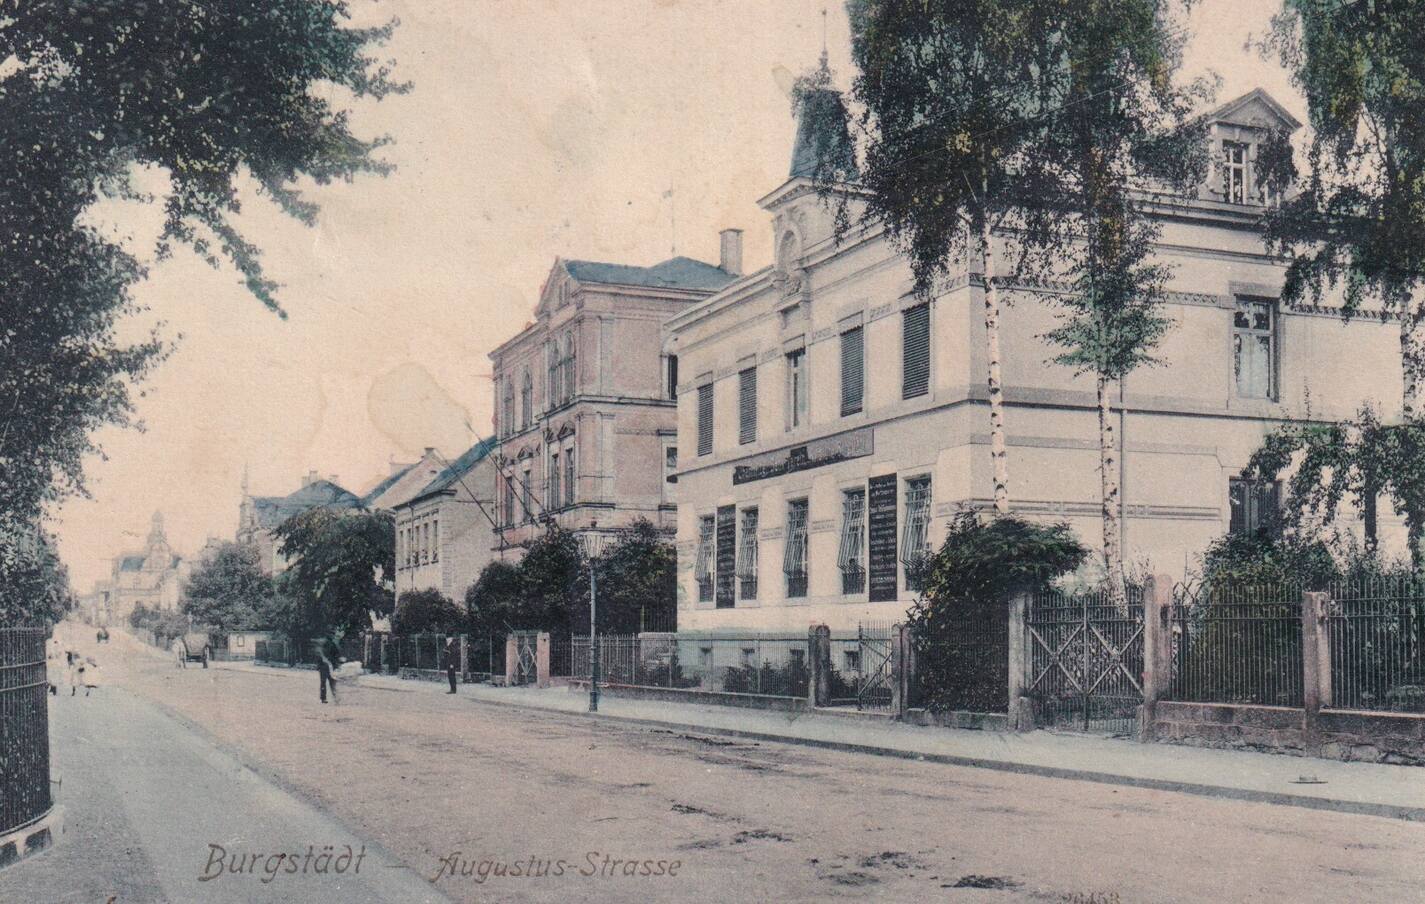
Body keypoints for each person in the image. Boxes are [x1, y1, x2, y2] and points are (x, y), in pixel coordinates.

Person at [315, 636, 341, 705]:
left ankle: (324, 698)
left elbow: (318, 656)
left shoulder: (323, 645)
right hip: (328, 666)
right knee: (332, 682)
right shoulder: (332, 644)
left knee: (324, 682)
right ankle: (335, 697)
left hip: (326, 666)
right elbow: (337, 655)